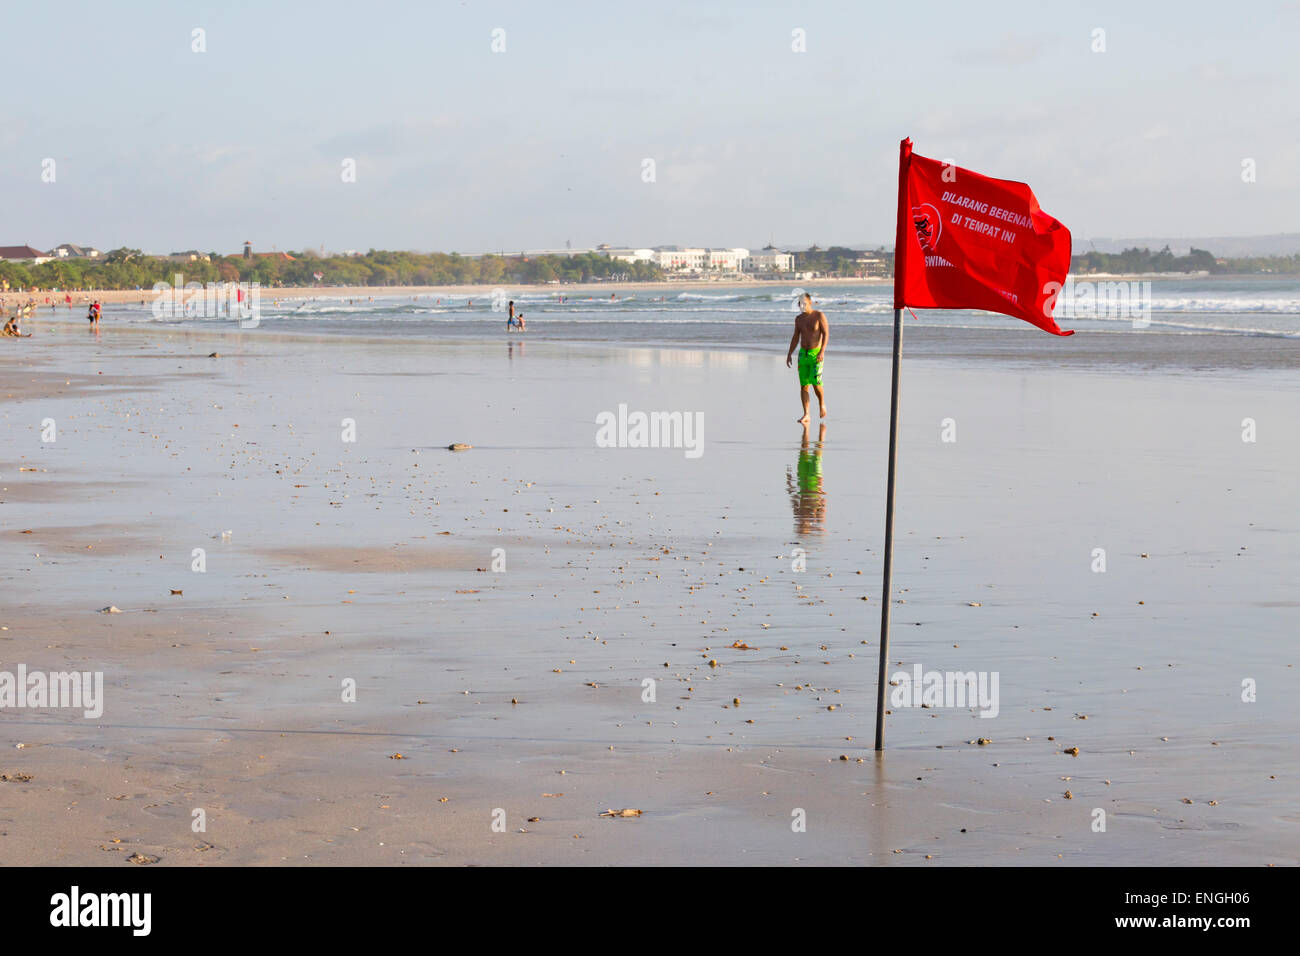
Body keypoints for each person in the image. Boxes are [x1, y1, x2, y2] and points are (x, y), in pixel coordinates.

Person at [785, 292, 828, 424]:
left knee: (816, 384)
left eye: (804, 303)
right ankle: (806, 414)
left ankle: (822, 403)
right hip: (803, 354)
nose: (801, 306)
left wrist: (822, 351)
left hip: (816, 354)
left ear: (810, 303)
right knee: (804, 386)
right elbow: (795, 337)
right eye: (800, 304)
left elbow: (826, 334)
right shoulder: (798, 319)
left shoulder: (819, 316)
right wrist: (789, 353)